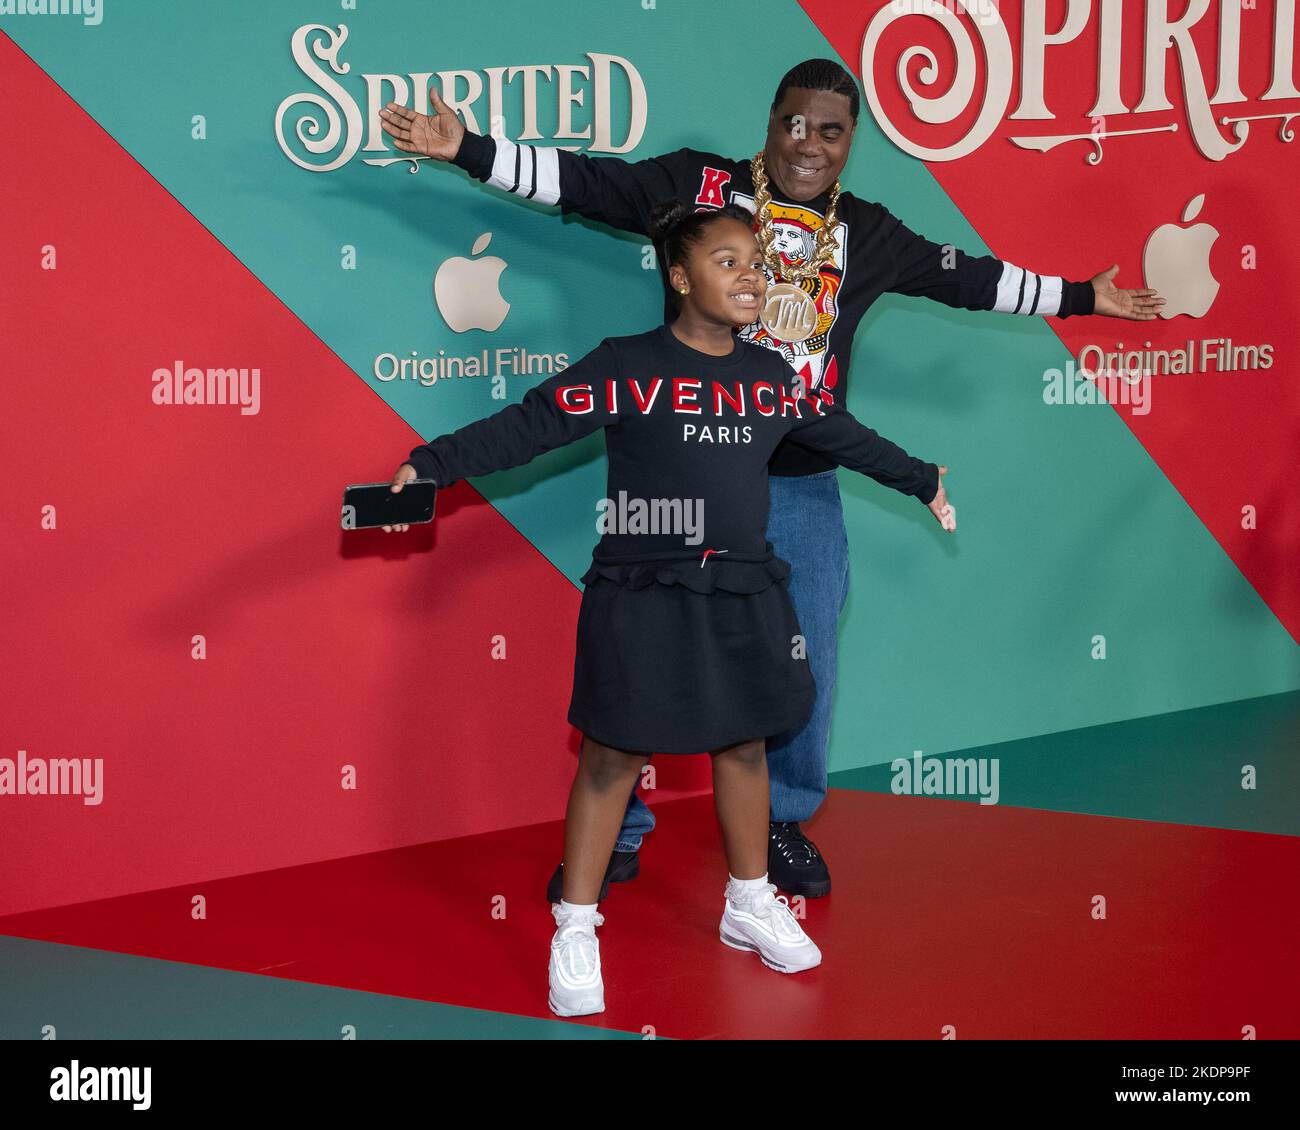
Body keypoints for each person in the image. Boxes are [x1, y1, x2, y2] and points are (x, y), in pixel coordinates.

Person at [379, 57, 1150, 900]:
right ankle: (617, 832)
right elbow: (588, 184)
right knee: (643, 658)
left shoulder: (869, 231)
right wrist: (470, 149)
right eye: (793, 123)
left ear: (851, 140)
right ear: (770, 119)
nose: (807, 145)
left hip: (802, 483)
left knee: (797, 662)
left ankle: (775, 822)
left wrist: (1080, 296)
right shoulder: (703, 186)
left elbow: (969, 278)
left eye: (829, 131)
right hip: (679, 476)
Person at [383, 202, 955, 1017]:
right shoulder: (625, 365)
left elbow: (846, 436)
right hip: (643, 591)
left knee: (747, 747)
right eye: (727, 262)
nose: (750, 274)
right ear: (680, 278)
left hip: (743, 588)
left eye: (755, 262)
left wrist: (921, 477)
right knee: (613, 757)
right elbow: (528, 426)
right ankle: (575, 926)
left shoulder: (770, 377)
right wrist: (432, 465)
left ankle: (748, 902)